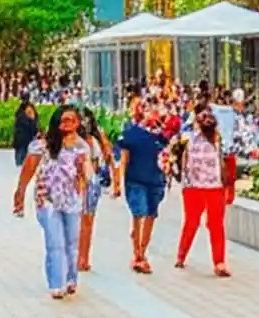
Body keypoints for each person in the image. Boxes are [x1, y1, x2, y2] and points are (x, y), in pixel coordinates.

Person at [14, 106, 90, 299]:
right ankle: (56, 283)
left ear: (78, 123)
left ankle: (71, 278)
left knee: (72, 242)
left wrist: (85, 177)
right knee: (55, 242)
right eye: (63, 120)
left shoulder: (82, 146)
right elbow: (29, 168)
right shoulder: (44, 145)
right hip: (47, 200)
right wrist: (20, 192)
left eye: (71, 120)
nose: (67, 124)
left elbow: (86, 174)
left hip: (71, 199)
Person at [173, 110, 233, 277]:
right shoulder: (218, 141)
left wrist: (184, 183)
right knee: (216, 225)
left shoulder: (189, 140)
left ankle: (181, 256)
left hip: (193, 188)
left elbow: (184, 163)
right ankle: (219, 262)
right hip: (214, 188)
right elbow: (224, 164)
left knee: (191, 222)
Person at [117, 105, 168, 274]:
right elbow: (124, 159)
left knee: (151, 215)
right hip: (136, 180)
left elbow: (168, 157)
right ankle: (138, 254)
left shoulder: (161, 137)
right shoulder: (131, 134)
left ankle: (142, 251)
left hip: (156, 181)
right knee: (139, 213)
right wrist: (117, 182)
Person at [75, 107, 112, 272]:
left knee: (87, 221)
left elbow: (107, 156)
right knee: (80, 221)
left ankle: (83, 258)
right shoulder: (72, 140)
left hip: (91, 183)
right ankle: (78, 257)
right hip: (77, 183)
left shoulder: (93, 139)